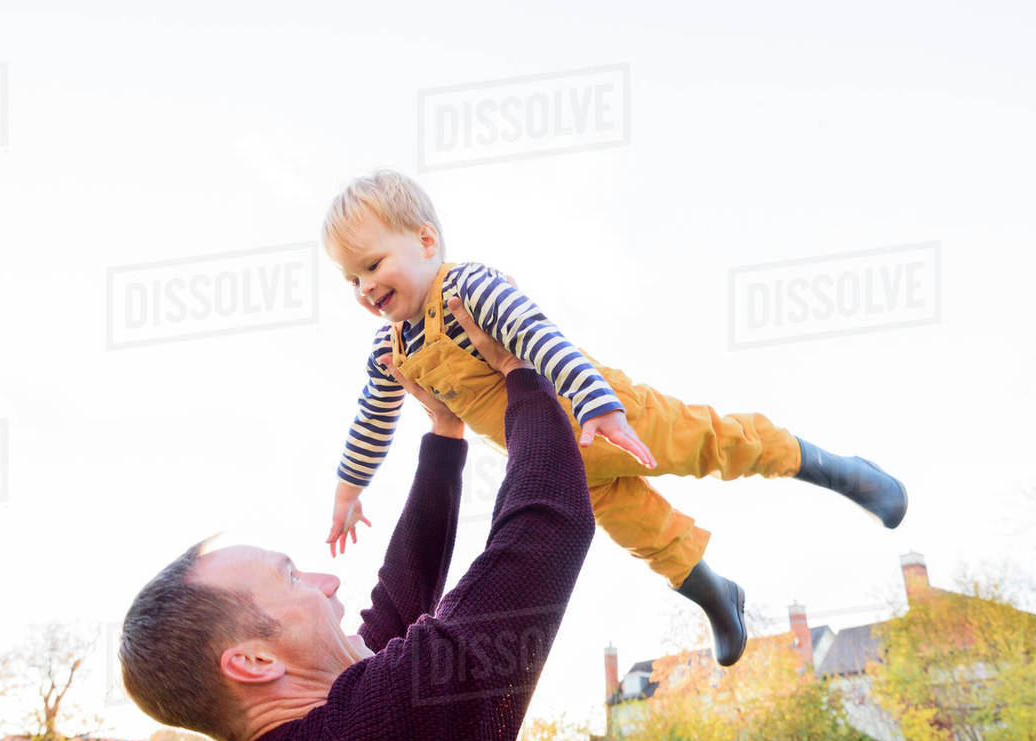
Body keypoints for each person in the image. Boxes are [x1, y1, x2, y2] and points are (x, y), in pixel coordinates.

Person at [323, 169, 908, 666]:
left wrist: (595, 404)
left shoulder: (468, 288)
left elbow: (539, 336)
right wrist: (349, 492)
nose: (365, 287)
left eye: (373, 265)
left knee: (713, 443)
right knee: (643, 532)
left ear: (426, 241)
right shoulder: (389, 350)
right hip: (555, 455)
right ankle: (718, 597)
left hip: (603, 411)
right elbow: (371, 421)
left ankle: (840, 471)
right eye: (352, 279)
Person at [119, 301, 595, 741]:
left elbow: (395, 610)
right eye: (293, 579)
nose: (329, 582)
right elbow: (547, 529)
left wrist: (444, 434)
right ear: (255, 662)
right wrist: (519, 368)